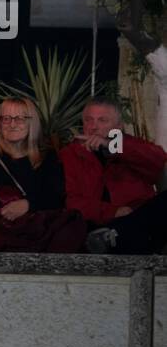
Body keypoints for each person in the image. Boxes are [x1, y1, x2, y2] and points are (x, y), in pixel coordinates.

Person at [0, 98, 85, 252]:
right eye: (6, 118)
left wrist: (29, 204)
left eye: (20, 119)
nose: (12, 124)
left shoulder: (47, 156)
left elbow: (56, 197)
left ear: (32, 123)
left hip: (38, 227)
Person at [60, 98, 167, 254]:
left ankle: (116, 235)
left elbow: (158, 160)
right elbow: (71, 201)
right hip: (94, 226)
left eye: (102, 120)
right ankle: (113, 236)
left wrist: (113, 146)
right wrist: (113, 212)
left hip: (137, 223)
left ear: (118, 127)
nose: (94, 126)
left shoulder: (132, 146)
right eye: (88, 120)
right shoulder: (69, 154)